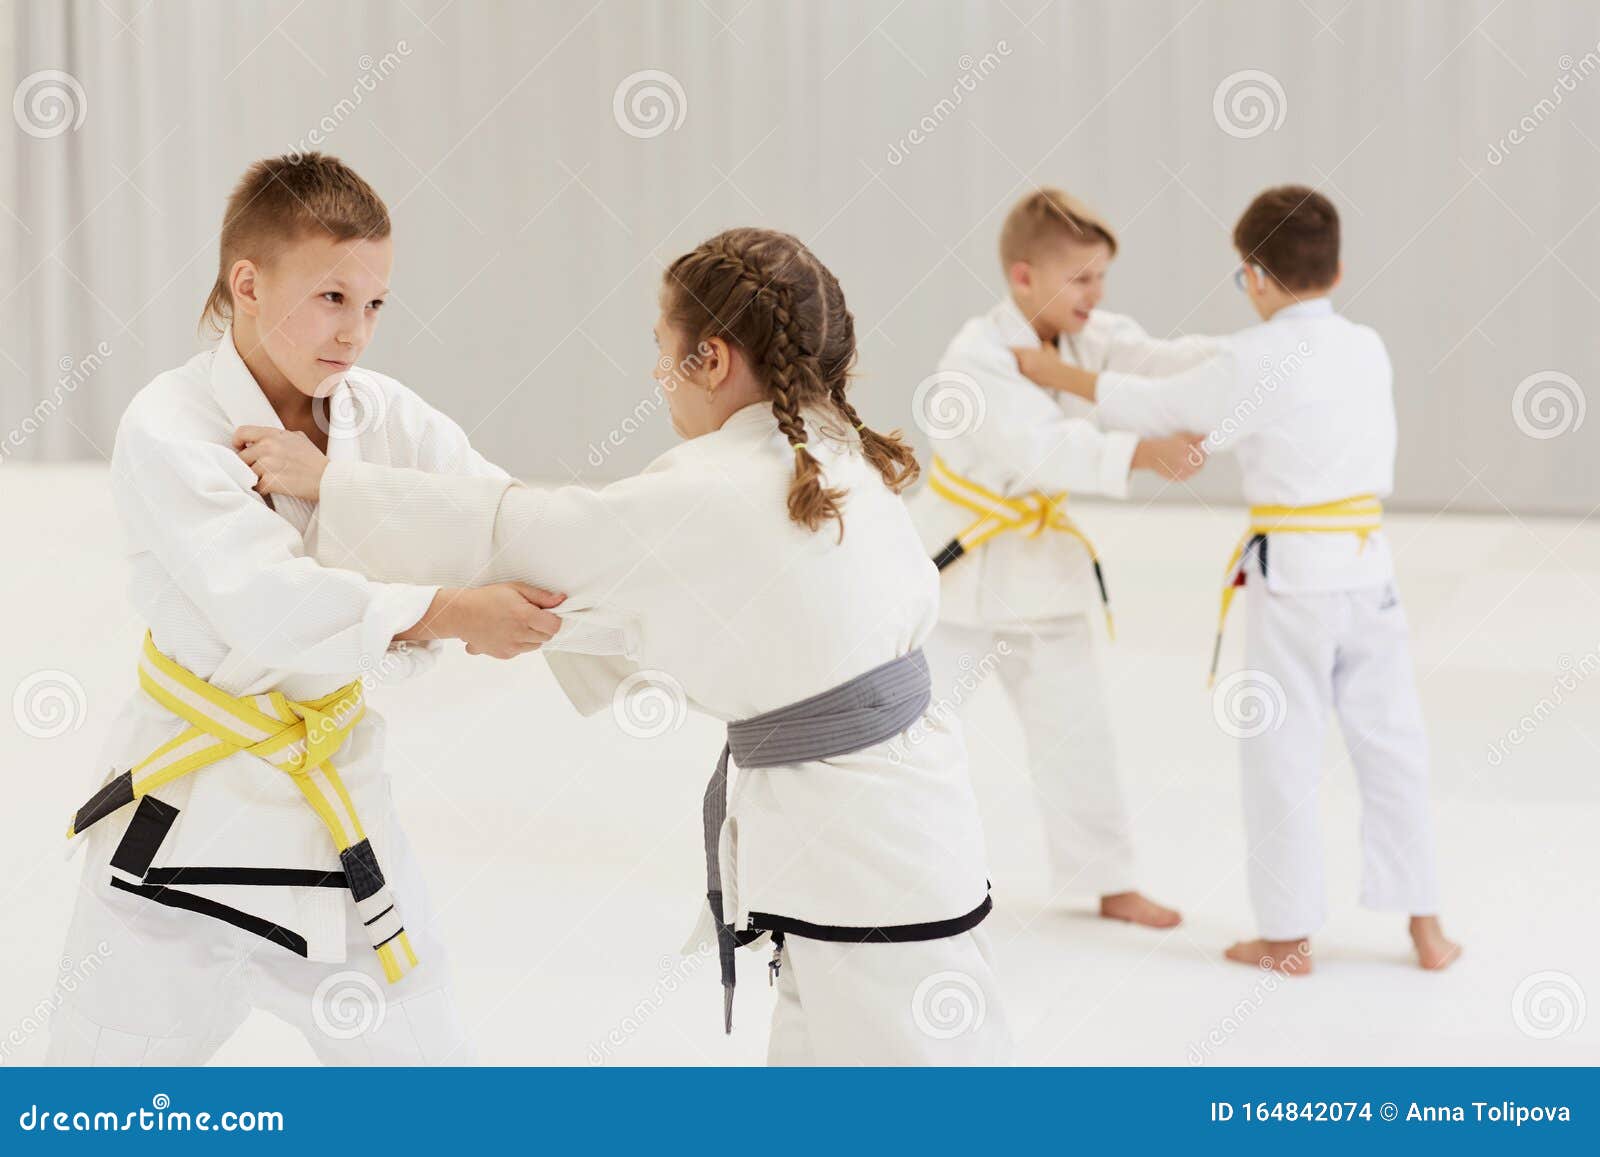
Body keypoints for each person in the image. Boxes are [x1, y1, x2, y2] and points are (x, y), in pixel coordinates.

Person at [239, 227, 1012, 1064]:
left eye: (662, 351)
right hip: (892, 834)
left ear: (711, 360)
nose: (656, 375)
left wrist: (334, 485)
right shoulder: (824, 455)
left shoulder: (719, 486)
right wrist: (521, 616)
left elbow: (537, 532)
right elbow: (660, 585)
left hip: (864, 860)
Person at [50, 153, 563, 1065]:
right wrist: (449, 611)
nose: (356, 332)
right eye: (332, 297)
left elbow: (496, 516)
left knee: (425, 1087)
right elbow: (270, 605)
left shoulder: (380, 417)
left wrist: (344, 484)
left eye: (374, 305)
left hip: (337, 832)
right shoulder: (167, 425)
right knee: (105, 1104)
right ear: (248, 284)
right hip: (179, 831)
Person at [1012, 185, 1459, 975]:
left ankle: (1287, 937)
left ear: (1254, 276)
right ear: (1339, 268)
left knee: (1281, 750)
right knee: (1394, 742)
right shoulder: (1367, 346)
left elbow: (1156, 408)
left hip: (1295, 581)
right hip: (1371, 571)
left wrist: (1056, 372)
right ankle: (1426, 926)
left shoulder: (1252, 361)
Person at [908, 188, 1218, 928]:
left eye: (1101, 277)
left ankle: (1108, 881)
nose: (1096, 293)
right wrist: (1143, 452)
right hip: (962, 573)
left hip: (1043, 571)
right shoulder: (975, 357)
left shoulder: (1088, 335)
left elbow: (1157, 362)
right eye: (1080, 278)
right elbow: (1041, 445)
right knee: (910, 732)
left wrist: (1247, 360)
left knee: (1079, 733)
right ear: (1023, 277)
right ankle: (884, 870)